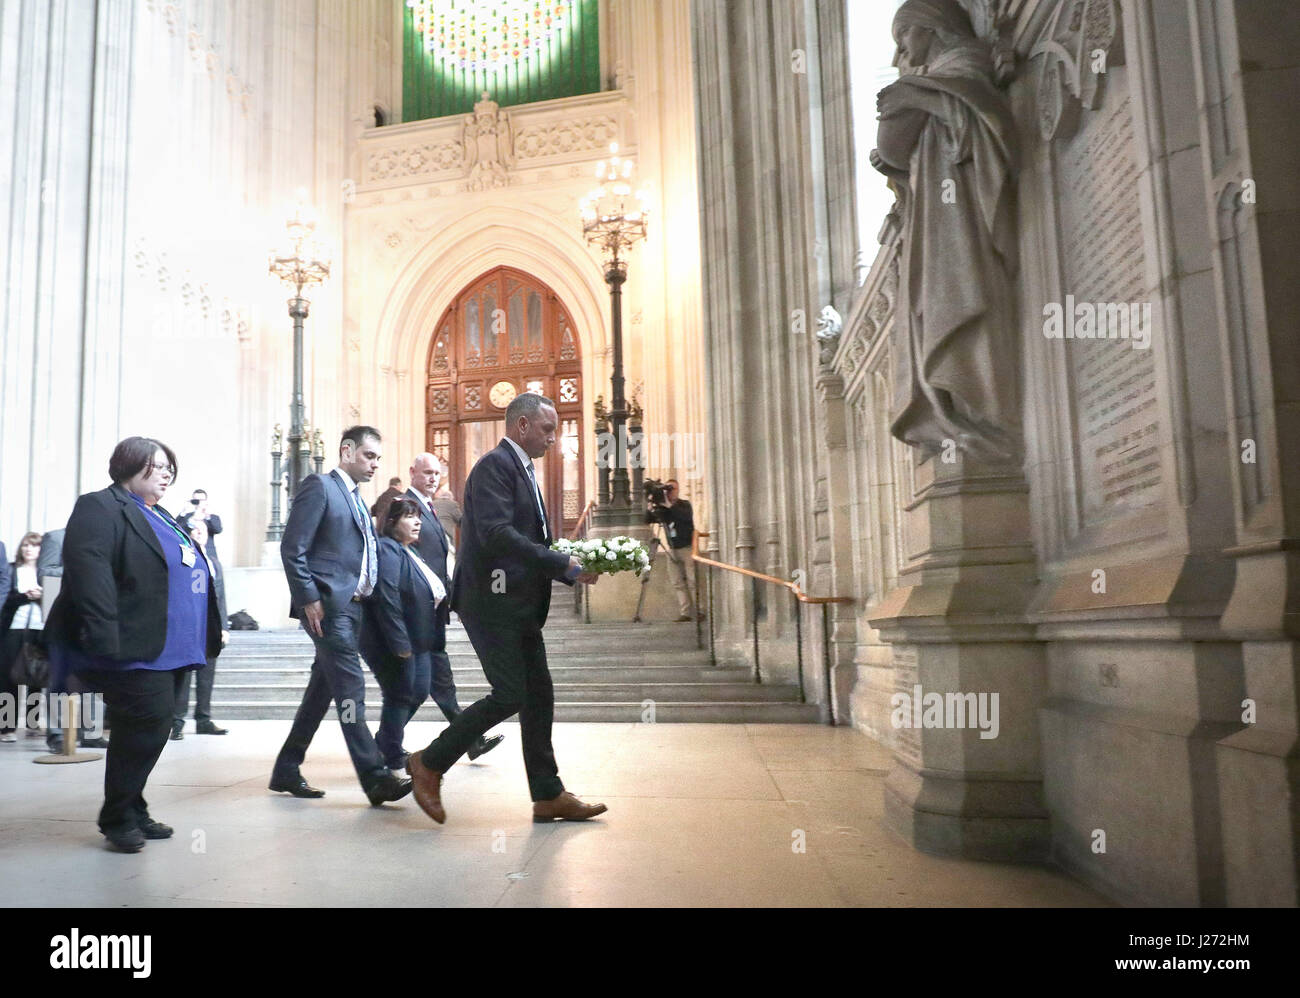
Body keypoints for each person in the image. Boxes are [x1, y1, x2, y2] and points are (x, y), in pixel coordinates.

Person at [406, 393, 605, 825]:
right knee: (511, 693)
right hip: (490, 601)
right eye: (547, 429)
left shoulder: (523, 469)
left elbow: (525, 538)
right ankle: (430, 762)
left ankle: (548, 794)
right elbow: (496, 534)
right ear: (521, 427)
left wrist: (569, 569)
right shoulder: (494, 467)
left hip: (517, 602)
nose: (554, 438)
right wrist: (560, 563)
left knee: (539, 695)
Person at [44, 437, 223, 853]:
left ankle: (135, 806)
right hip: (133, 644)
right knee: (144, 726)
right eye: (157, 466)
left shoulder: (161, 515)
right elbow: (91, 574)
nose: (166, 474)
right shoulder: (100, 507)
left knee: (155, 728)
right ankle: (117, 817)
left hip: (174, 644)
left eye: (168, 468)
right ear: (129, 465)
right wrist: (105, 639)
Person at [269, 425, 412, 807]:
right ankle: (375, 776)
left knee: (323, 690)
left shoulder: (355, 498)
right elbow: (292, 547)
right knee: (351, 688)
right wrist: (308, 598)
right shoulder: (321, 487)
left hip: (356, 607)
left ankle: (286, 767)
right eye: (369, 456)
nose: (375, 465)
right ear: (346, 451)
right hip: (329, 608)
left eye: (379, 459)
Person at [394, 454, 503, 760]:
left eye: (436, 474)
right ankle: (387, 741)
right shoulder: (405, 507)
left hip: (433, 610)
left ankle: (469, 740)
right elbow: (400, 558)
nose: (432, 478)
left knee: (439, 682)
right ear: (412, 472)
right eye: (426, 473)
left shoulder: (428, 507)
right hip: (415, 611)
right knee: (420, 685)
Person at [171, 518, 229, 738]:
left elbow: (220, 597)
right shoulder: (184, 557)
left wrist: (224, 626)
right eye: (195, 530)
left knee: (207, 675)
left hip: (210, 627)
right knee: (184, 675)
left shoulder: (213, 561)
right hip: (189, 627)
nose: (199, 533)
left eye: (203, 530)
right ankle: (177, 721)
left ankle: (203, 719)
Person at [1, 532, 43, 742]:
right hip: (14, 629)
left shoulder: (45, 572)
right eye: (26, 545)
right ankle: (6, 728)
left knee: (37, 677)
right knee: (9, 678)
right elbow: (5, 600)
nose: (29, 549)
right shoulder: (11, 569)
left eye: (34, 546)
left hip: (39, 628)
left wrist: (41, 595)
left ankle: (32, 724)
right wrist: (26, 596)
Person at [646, 479, 699, 621]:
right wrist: (650, 505)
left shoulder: (684, 505)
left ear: (678, 490)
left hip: (687, 548)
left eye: (673, 489)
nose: (671, 492)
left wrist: (669, 505)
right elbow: (648, 519)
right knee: (677, 582)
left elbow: (685, 517)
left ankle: (700, 611)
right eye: (668, 490)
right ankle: (685, 612)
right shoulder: (664, 510)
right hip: (672, 549)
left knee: (693, 581)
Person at [177, 489, 222, 567]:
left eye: (201, 500)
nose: (199, 502)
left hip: (209, 553)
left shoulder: (212, 517)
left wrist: (208, 516)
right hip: (191, 553)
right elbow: (177, 529)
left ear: (206, 501)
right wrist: (184, 512)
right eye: (196, 500)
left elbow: (218, 529)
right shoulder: (187, 516)